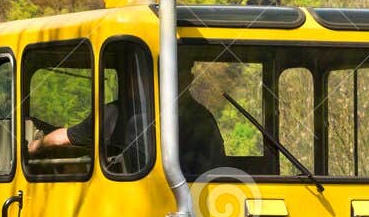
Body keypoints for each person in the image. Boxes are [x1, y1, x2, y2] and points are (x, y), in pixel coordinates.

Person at [27, 66, 226, 178]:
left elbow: (64, 138)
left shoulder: (114, 113)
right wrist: (37, 145)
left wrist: (34, 146)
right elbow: (68, 136)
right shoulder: (203, 119)